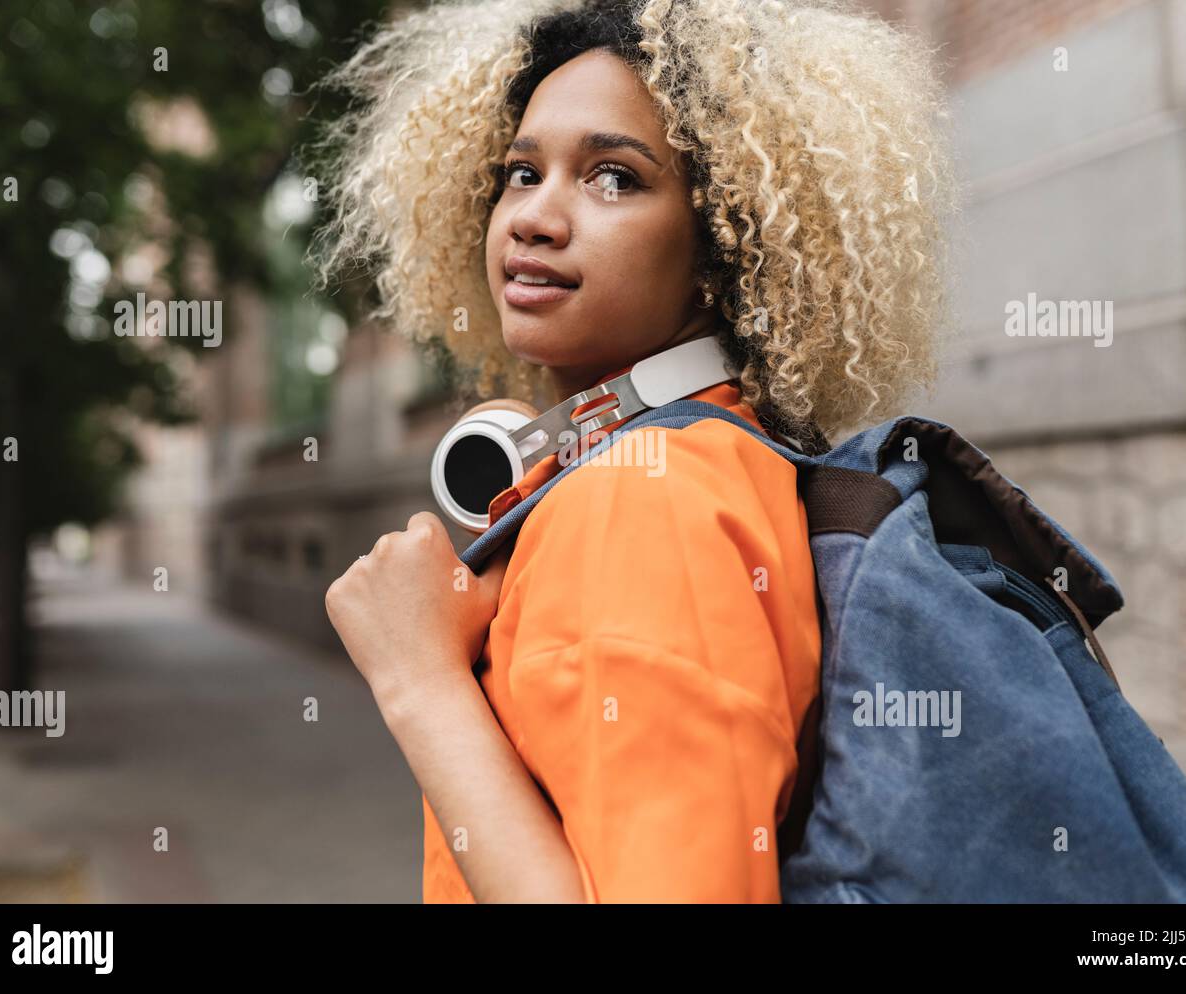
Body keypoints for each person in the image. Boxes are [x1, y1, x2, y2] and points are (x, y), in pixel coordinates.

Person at [314, 0, 954, 902]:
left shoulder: (644, 498)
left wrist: (418, 679)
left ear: (723, 247)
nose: (534, 216)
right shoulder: (702, 454)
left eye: (614, 177)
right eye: (520, 172)